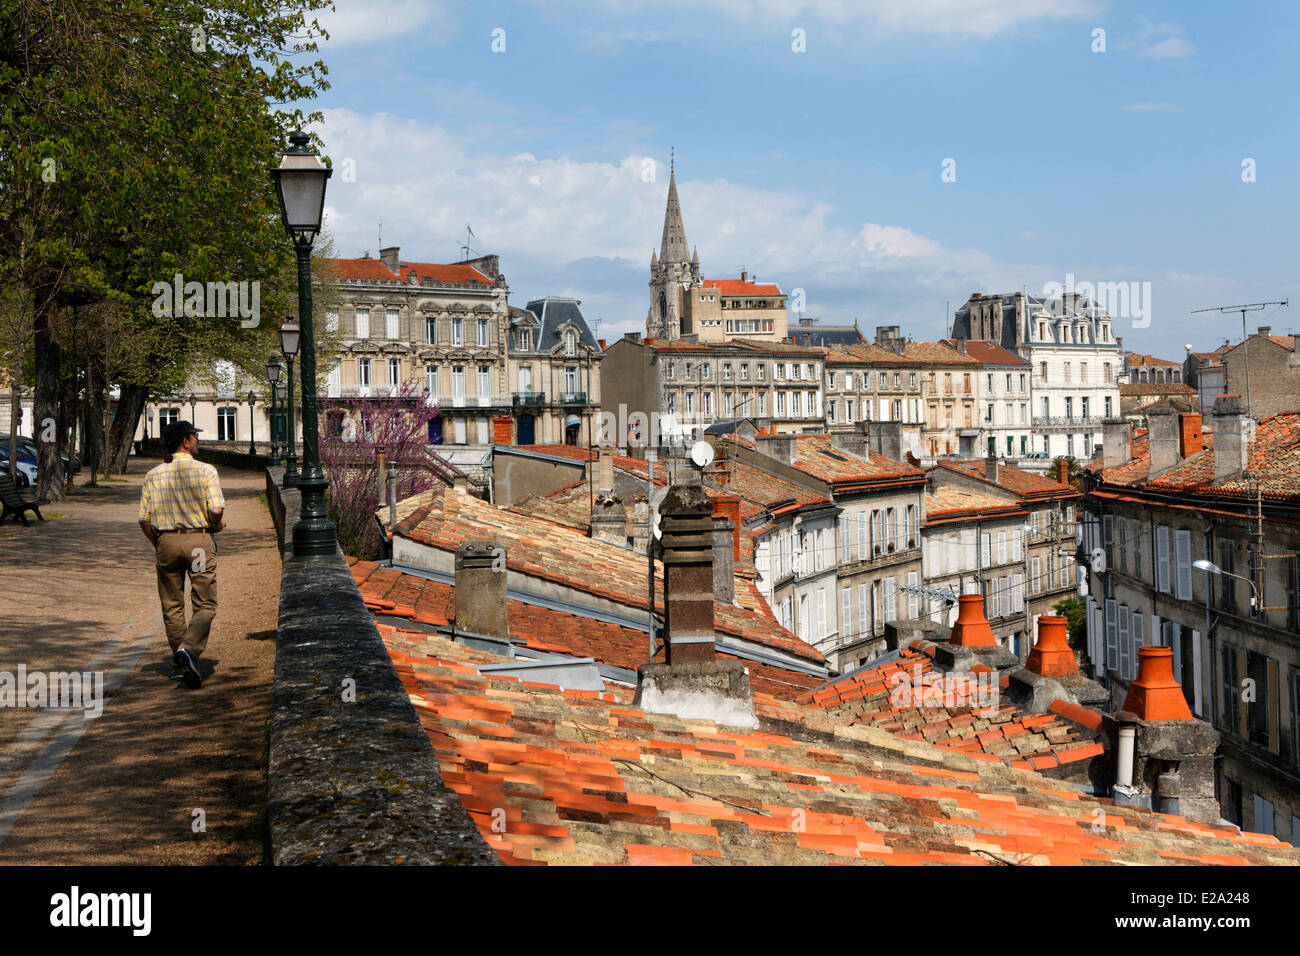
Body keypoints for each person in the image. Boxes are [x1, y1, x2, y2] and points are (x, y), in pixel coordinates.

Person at [138, 420, 225, 688]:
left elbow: (144, 519)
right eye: (194, 437)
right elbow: (216, 511)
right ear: (185, 441)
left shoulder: (153, 474)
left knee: (172, 604)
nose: (197, 441)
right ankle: (189, 649)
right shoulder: (206, 471)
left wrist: (159, 543)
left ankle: (184, 659)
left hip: (166, 541)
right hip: (197, 542)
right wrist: (216, 525)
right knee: (205, 602)